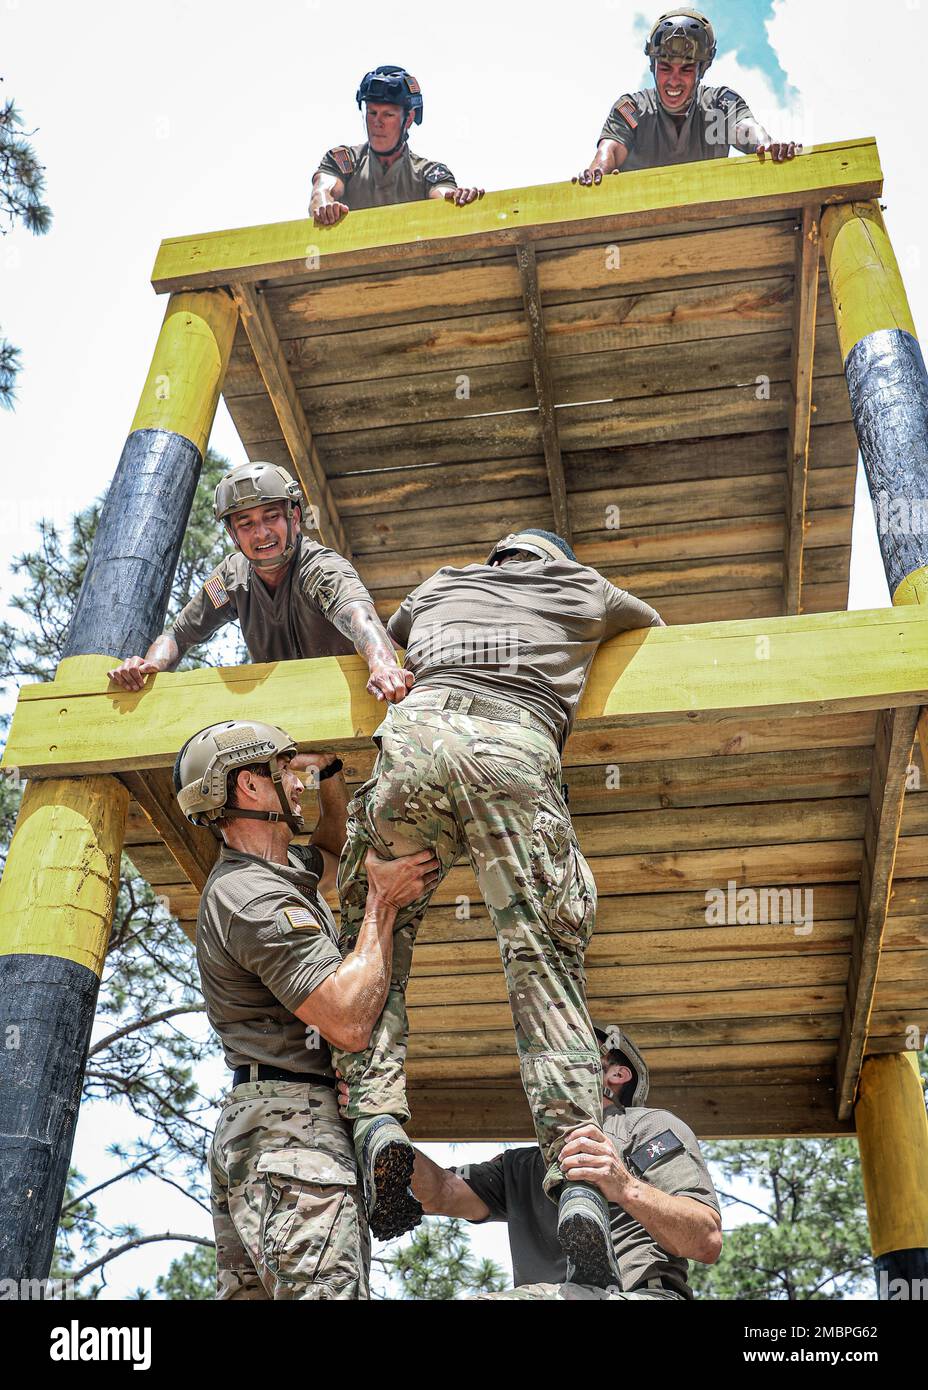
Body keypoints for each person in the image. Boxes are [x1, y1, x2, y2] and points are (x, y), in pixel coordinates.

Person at [331, 528, 666, 1288]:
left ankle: (380, 1120)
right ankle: (577, 1178)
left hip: (414, 739)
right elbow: (654, 632)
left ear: (497, 561)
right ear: (554, 560)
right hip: (514, 750)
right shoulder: (585, 586)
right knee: (543, 964)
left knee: (379, 927)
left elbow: (385, 640)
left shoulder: (442, 579)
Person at [174, 717, 439, 1298]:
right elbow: (346, 1019)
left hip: (276, 1126)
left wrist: (332, 777)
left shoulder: (279, 870)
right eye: (288, 772)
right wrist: (381, 907)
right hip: (293, 1134)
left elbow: (331, 846)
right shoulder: (251, 899)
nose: (299, 784)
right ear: (249, 786)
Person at [370, 1027, 723, 1300]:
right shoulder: (522, 1165)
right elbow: (441, 1192)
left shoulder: (647, 1127)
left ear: (617, 1075)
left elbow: (705, 1240)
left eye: (578, 1044)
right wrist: (376, 1118)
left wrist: (626, 1186)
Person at [108, 461, 411, 705]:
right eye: (246, 524)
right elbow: (178, 635)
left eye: (271, 517)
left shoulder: (322, 568)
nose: (262, 533)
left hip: (354, 703)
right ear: (232, 535)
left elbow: (362, 619)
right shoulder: (231, 577)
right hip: (283, 712)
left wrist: (382, 665)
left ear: (293, 518)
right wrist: (150, 666)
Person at [574, 9, 799, 185]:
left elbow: (745, 128)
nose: (674, 80)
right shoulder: (632, 109)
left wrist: (769, 146)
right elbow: (610, 150)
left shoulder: (720, 105)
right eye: (665, 68)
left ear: (702, 70)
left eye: (686, 70)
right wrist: (597, 172)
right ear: (653, 66)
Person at [310, 65, 484, 225]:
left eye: (388, 115)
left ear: (408, 119)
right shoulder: (344, 160)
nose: (377, 122)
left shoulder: (428, 173)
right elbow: (322, 192)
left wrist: (459, 199)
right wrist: (325, 207)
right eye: (372, 112)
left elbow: (444, 198)